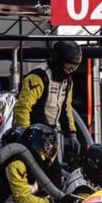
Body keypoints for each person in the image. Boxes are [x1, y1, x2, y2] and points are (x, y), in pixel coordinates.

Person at [13, 41, 82, 183]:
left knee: (53, 179)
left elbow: (66, 108)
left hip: (49, 136)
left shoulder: (67, 81)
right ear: (58, 60)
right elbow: (23, 107)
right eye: (69, 65)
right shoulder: (39, 77)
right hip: (32, 135)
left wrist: (72, 134)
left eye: (75, 67)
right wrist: (25, 134)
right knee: (34, 178)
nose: (71, 70)